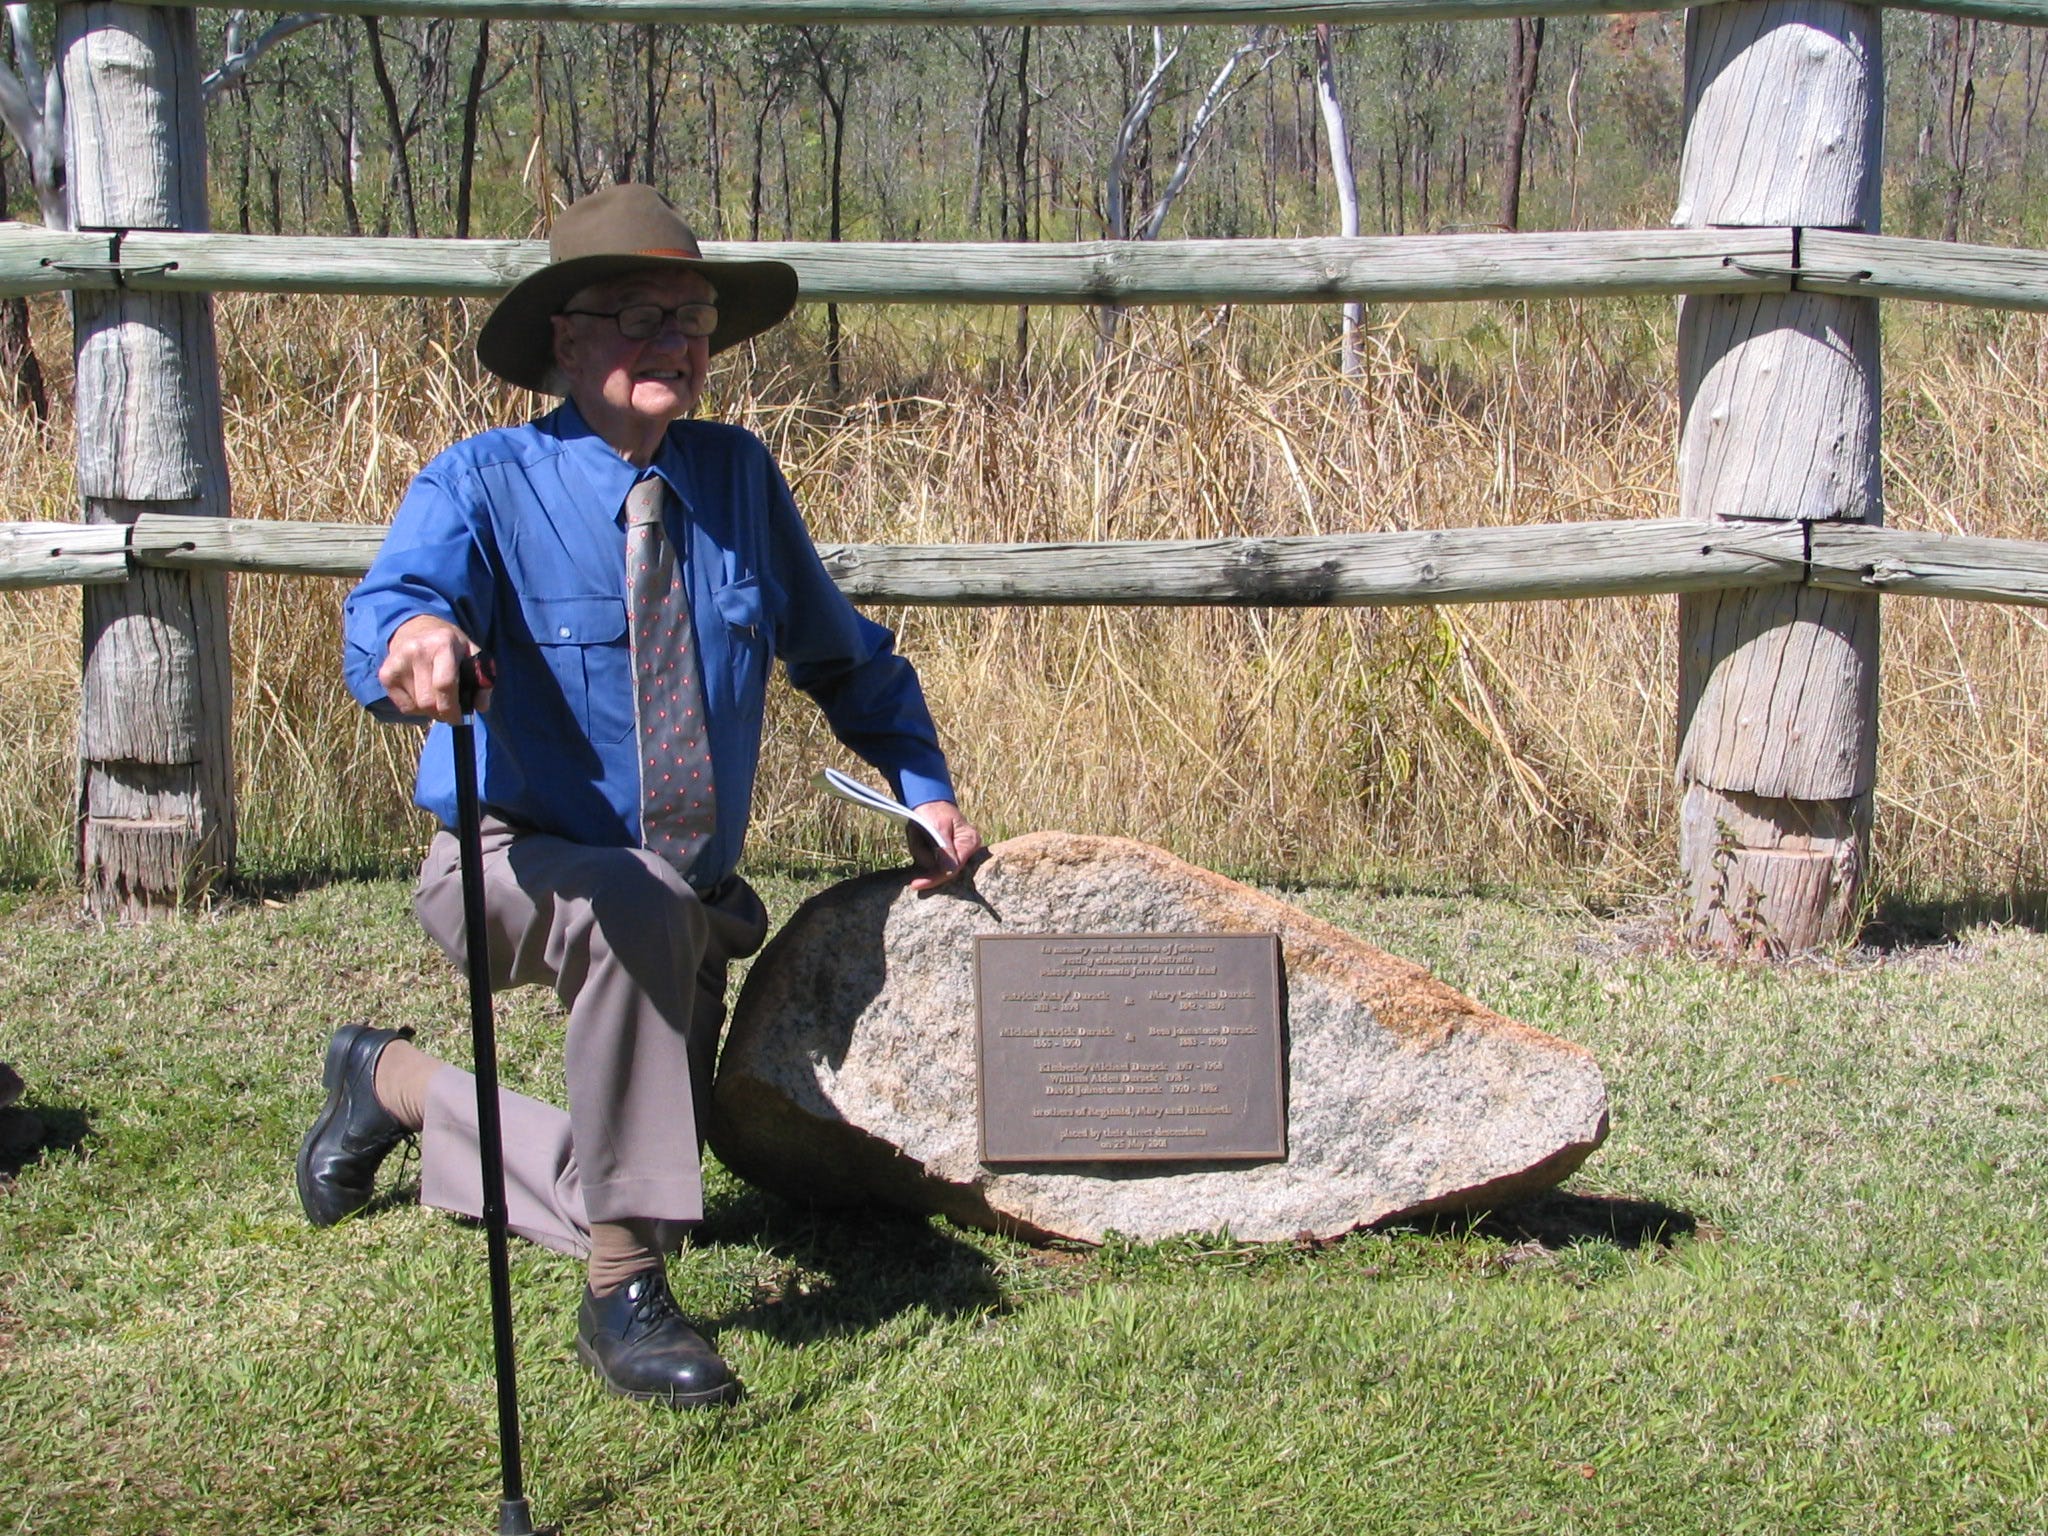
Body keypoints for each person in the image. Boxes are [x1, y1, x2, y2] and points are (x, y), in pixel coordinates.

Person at [296, 184, 980, 1410]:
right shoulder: (480, 482)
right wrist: (416, 645)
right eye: (637, 314)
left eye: (694, 316)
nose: (674, 340)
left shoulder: (735, 479)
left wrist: (920, 790)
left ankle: (391, 1083)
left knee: (633, 1160)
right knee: (636, 989)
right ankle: (621, 1297)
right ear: (566, 339)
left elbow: (842, 656)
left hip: (687, 904)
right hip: (509, 863)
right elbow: (390, 610)